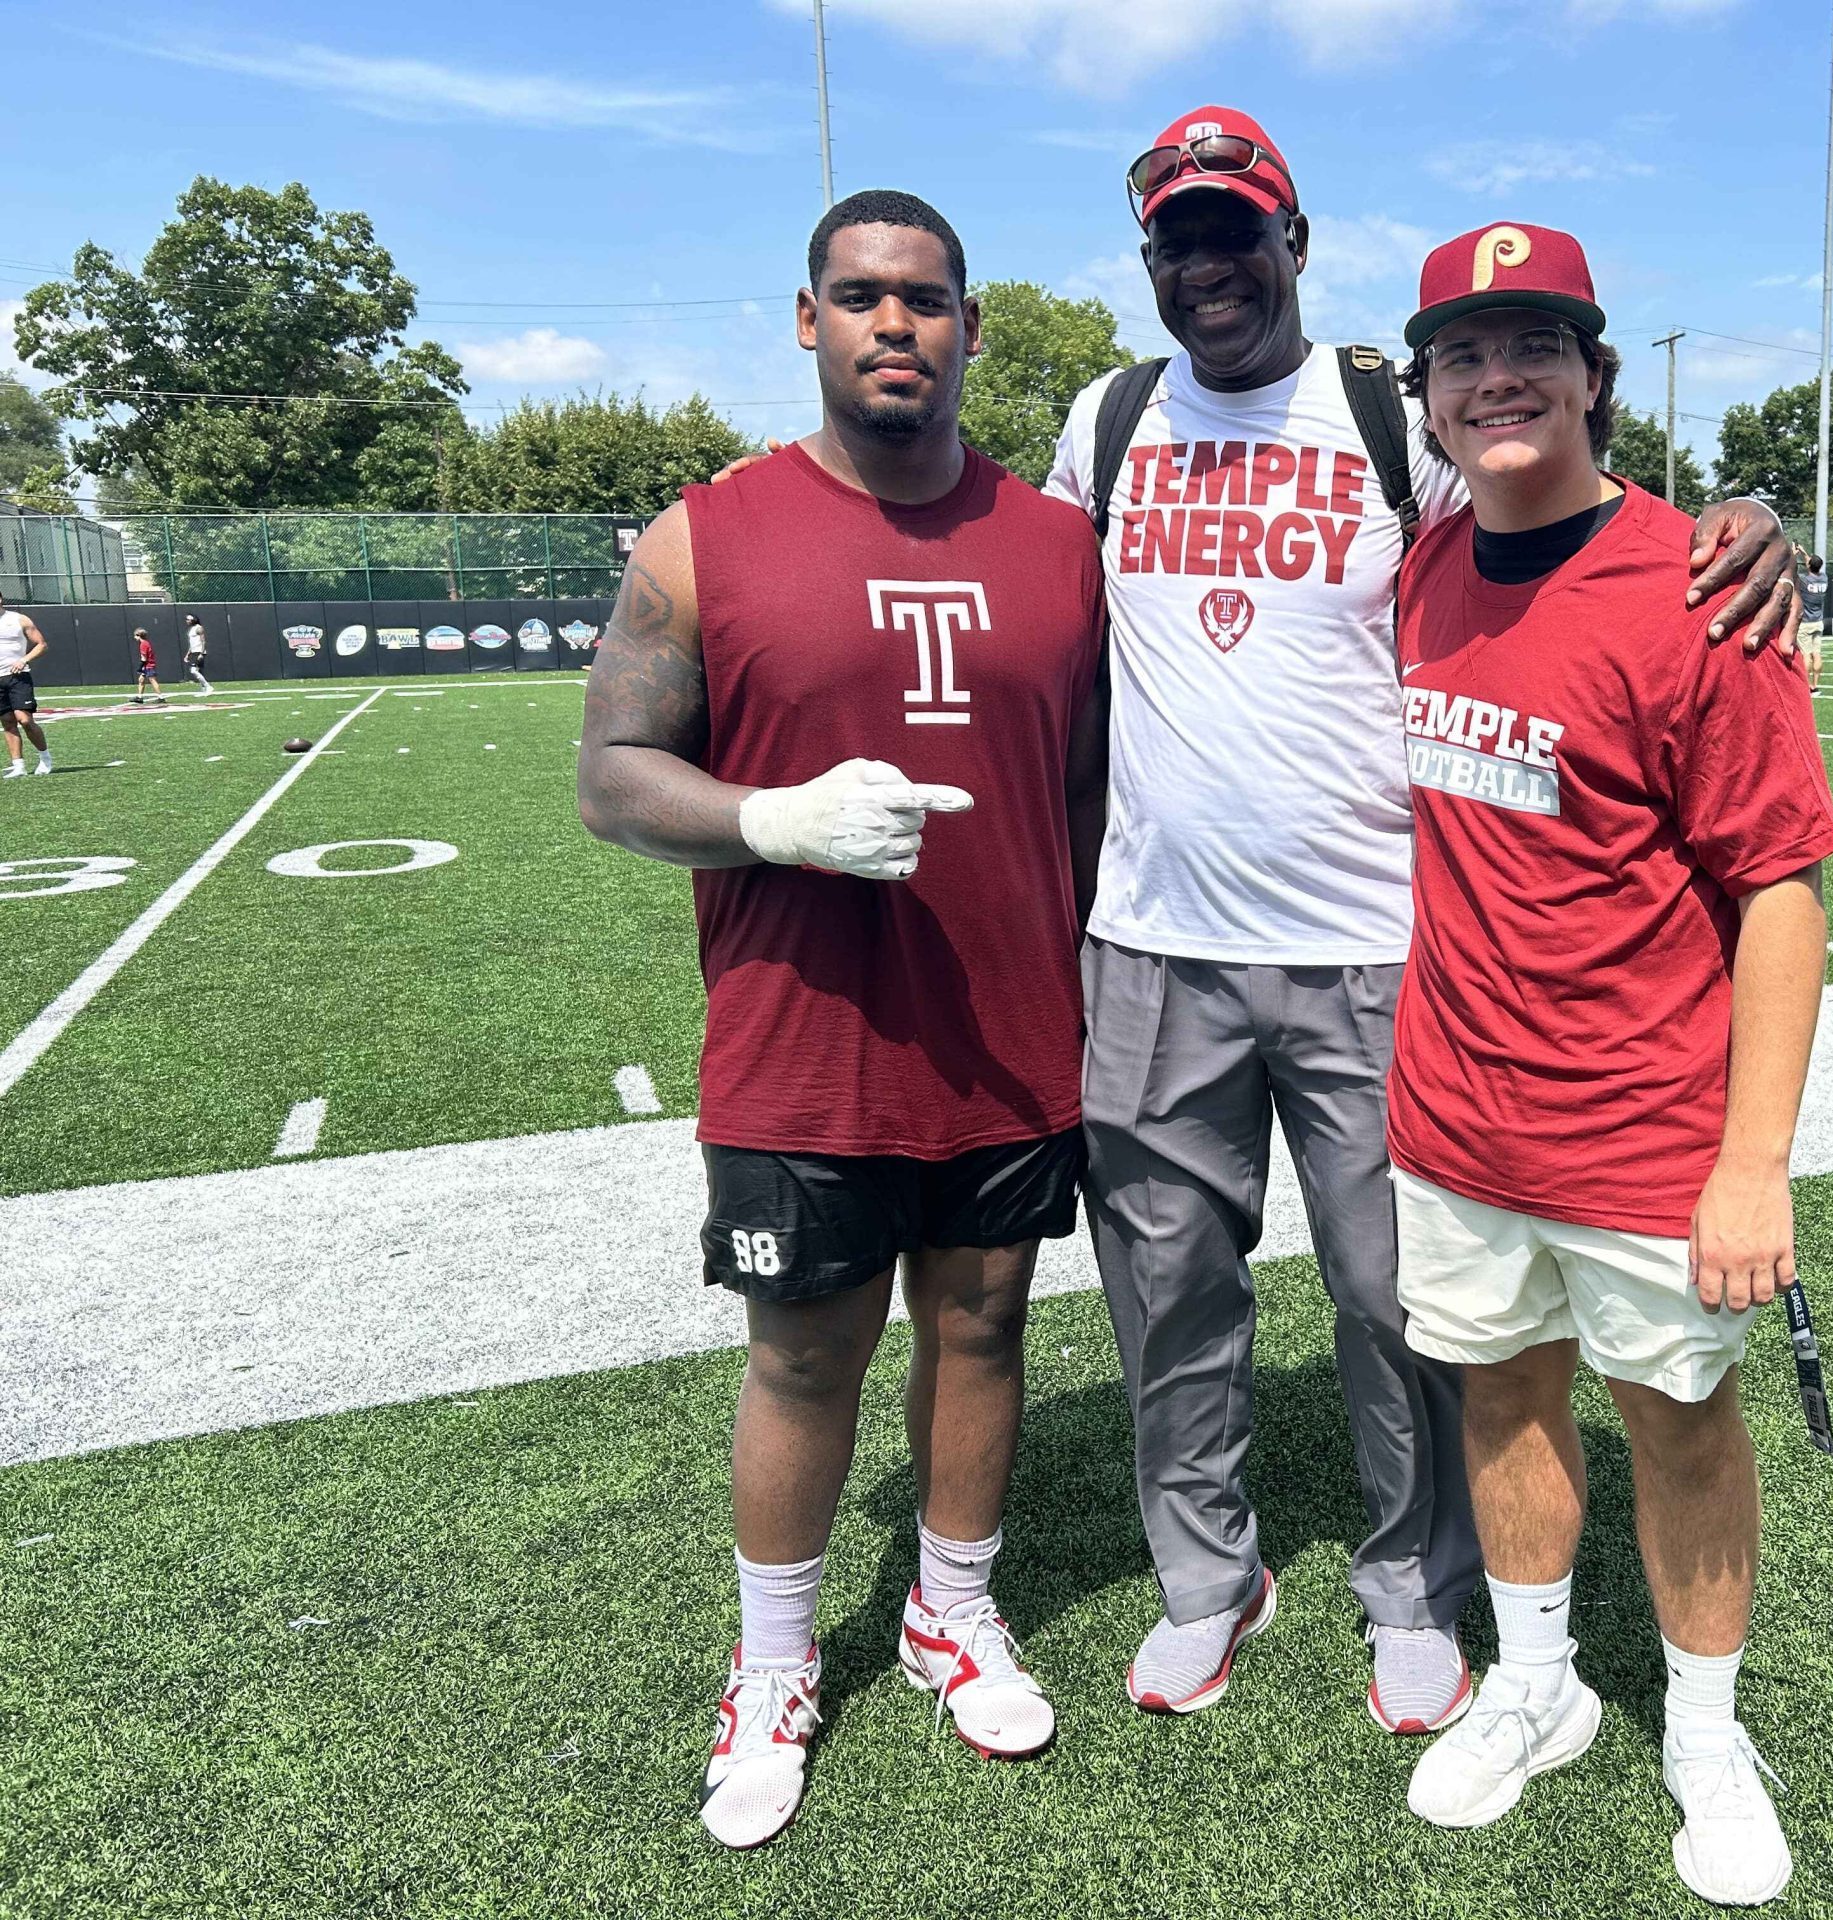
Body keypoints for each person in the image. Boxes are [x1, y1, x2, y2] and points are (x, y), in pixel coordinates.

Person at [1042, 106, 1806, 1732]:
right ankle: (1205, 1575)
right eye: (1179, 239)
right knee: (1167, 1295)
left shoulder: (1391, 419)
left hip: (1381, 948)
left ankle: (1413, 1585)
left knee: (1403, 1303)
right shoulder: (1102, 424)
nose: (1211, 264)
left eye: (1237, 231)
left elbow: (1560, 525)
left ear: (1292, 243)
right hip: (1154, 942)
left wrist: (1739, 515)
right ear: (1153, 265)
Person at [577, 189, 1108, 1849]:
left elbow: (1089, 789)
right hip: (800, 1037)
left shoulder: (1056, 540)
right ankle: (776, 1661)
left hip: (1013, 1030)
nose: (899, 324)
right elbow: (610, 774)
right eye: (864, 297)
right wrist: (769, 818)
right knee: (804, 1351)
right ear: (807, 319)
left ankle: (953, 1610)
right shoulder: (705, 533)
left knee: (988, 1324)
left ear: (969, 326)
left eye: (930, 300)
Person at [1385, 224, 1833, 1906]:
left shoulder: (1698, 589)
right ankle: (1538, 1683)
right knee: (1499, 1395)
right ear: (1428, 394)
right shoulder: (1426, 561)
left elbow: (1782, 889)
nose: (1497, 378)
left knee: (1682, 1417)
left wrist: (1754, 1161)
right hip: (1453, 1111)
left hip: (1650, 1126)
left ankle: (1707, 1730)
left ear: (1593, 373)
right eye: (1461, 354)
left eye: (1532, 346)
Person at [0, 593, 52, 777]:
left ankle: (45, 758)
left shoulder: (18, 620)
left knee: (25, 719)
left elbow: (41, 645)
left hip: (18, 676)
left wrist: (24, 659)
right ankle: (18, 766)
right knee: (7, 721)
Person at [1798, 554, 1827, 686]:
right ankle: (1815, 685)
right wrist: (1804, 553)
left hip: (1805, 622)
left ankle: (1805, 684)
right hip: (1818, 622)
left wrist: (1793, 554)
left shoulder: (1804, 580)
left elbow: (1791, 570)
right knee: (1817, 653)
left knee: (1806, 655)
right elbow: (1812, 564)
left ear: (1809, 566)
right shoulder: (1824, 578)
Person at [181, 615, 215, 696]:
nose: (187, 621)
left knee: (193, 670)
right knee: (199, 671)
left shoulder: (199, 628)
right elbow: (191, 643)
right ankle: (203, 689)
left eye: (188, 620)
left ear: (193, 620)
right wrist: (187, 654)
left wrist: (201, 653)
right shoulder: (191, 629)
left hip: (198, 651)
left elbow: (203, 641)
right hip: (193, 651)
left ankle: (208, 686)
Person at [134, 627, 164, 703]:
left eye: (135, 635)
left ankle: (160, 697)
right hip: (146, 665)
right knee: (141, 680)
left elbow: (144, 658)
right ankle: (139, 697)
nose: (134, 637)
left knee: (152, 680)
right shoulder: (145, 643)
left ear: (138, 635)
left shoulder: (143, 644)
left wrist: (140, 667)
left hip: (148, 665)